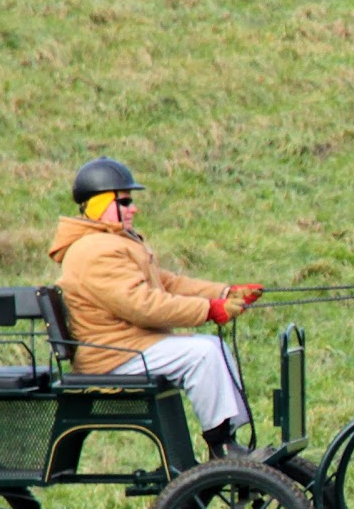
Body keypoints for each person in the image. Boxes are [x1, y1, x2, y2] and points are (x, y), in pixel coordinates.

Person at [47, 156, 265, 460]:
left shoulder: (112, 243)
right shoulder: (95, 251)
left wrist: (225, 292)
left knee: (212, 349)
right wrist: (208, 310)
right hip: (114, 355)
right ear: (98, 205)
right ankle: (221, 446)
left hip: (131, 346)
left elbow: (166, 283)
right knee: (204, 353)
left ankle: (226, 438)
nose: (133, 207)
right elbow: (143, 306)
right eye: (124, 201)